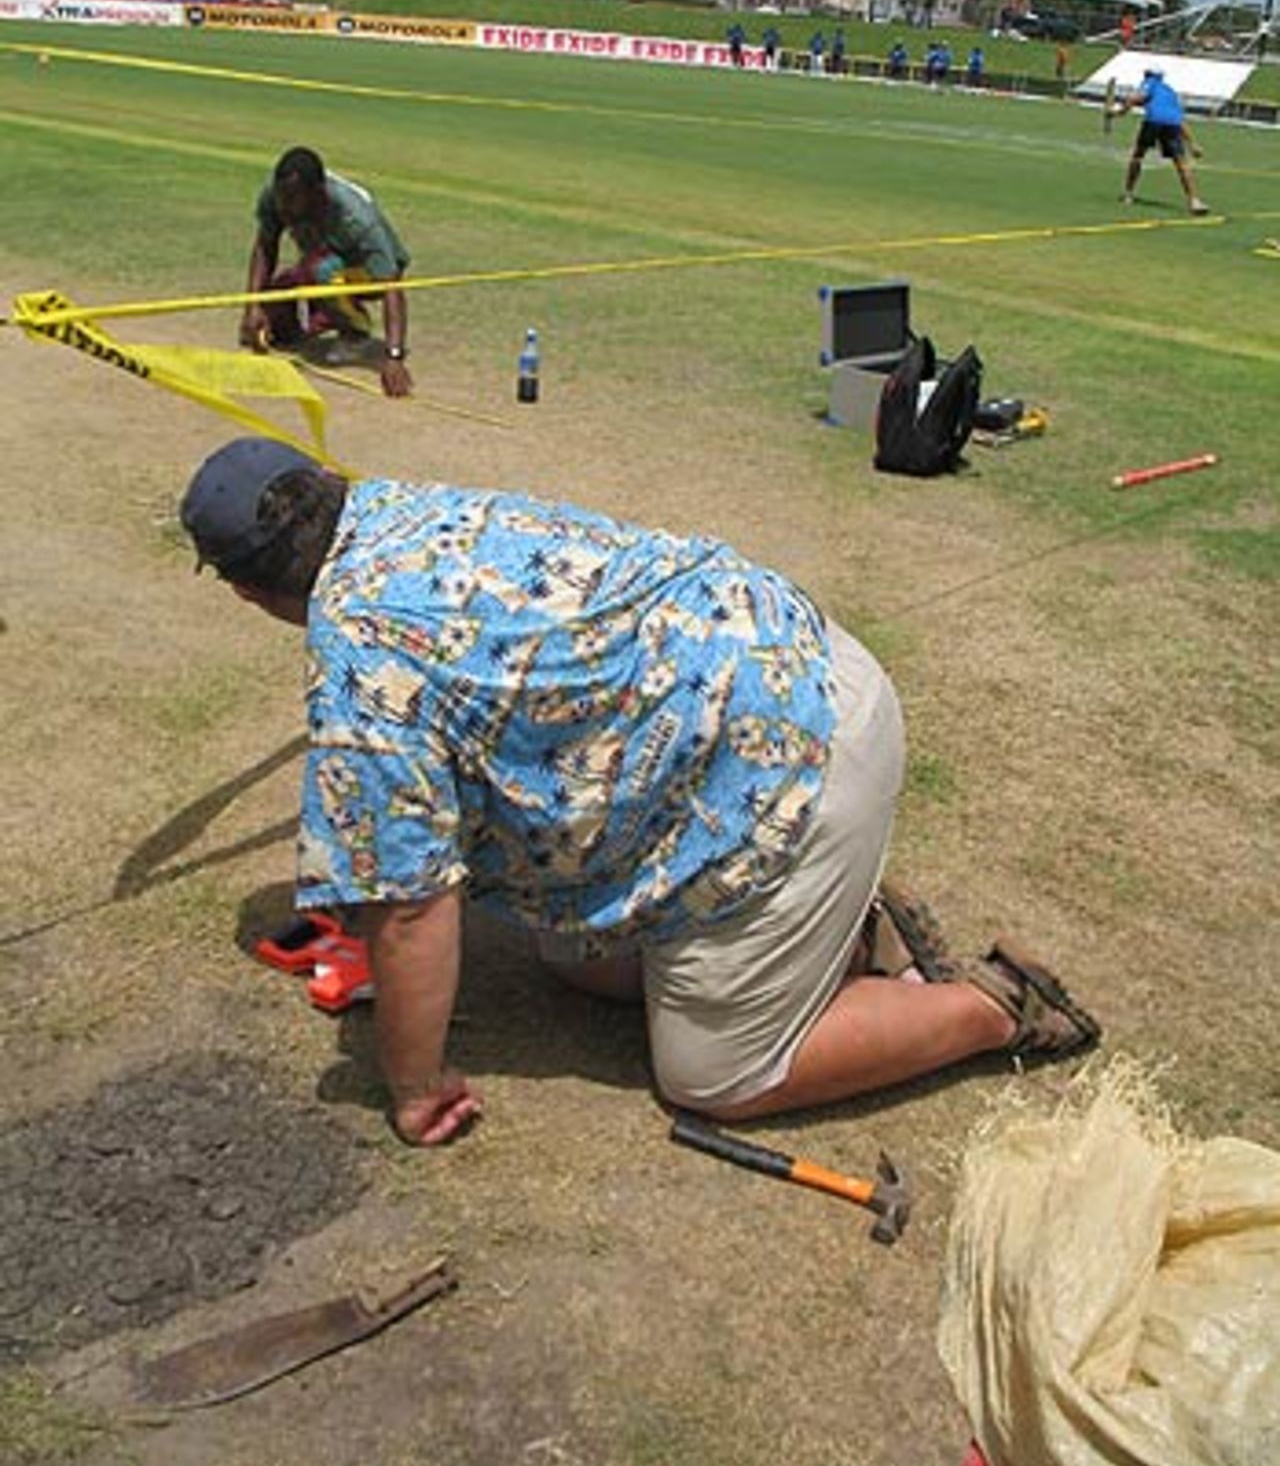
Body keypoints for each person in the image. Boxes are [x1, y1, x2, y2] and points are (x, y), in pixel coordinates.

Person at [180, 439, 1101, 1147]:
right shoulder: (400, 504)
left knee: (720, 1077)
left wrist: (415, 1087)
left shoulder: (361, 666)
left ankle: (993, 1006)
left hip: (795, 765)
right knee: (573, 958)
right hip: (806, 663)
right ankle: (845, 932)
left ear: (245, 591)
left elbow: (413, 909)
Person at [240, 147, 413, 399]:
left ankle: (355, 333)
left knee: (322, 270)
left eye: (292, 199)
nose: (283, 206)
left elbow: (391, 285)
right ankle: (313, 322)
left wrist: (394, 357)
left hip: (372, 272)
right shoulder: (276, 195)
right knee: (278, 302)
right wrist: (253, 307)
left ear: (317, 193)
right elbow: (265, 246)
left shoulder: (355, 216)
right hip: (324, 259)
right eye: (281, 197)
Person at [1116, 68, 1209, 215]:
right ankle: (1194, 201)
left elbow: (1139, 98)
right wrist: (1192, 144)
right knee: (1181, 163)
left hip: (1153, 121)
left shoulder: (1149, 82)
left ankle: (1128, 193)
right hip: (1172, 124)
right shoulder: (1170, 92)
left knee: (1138, 156)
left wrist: (1120, 111)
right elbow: (1179, 119)